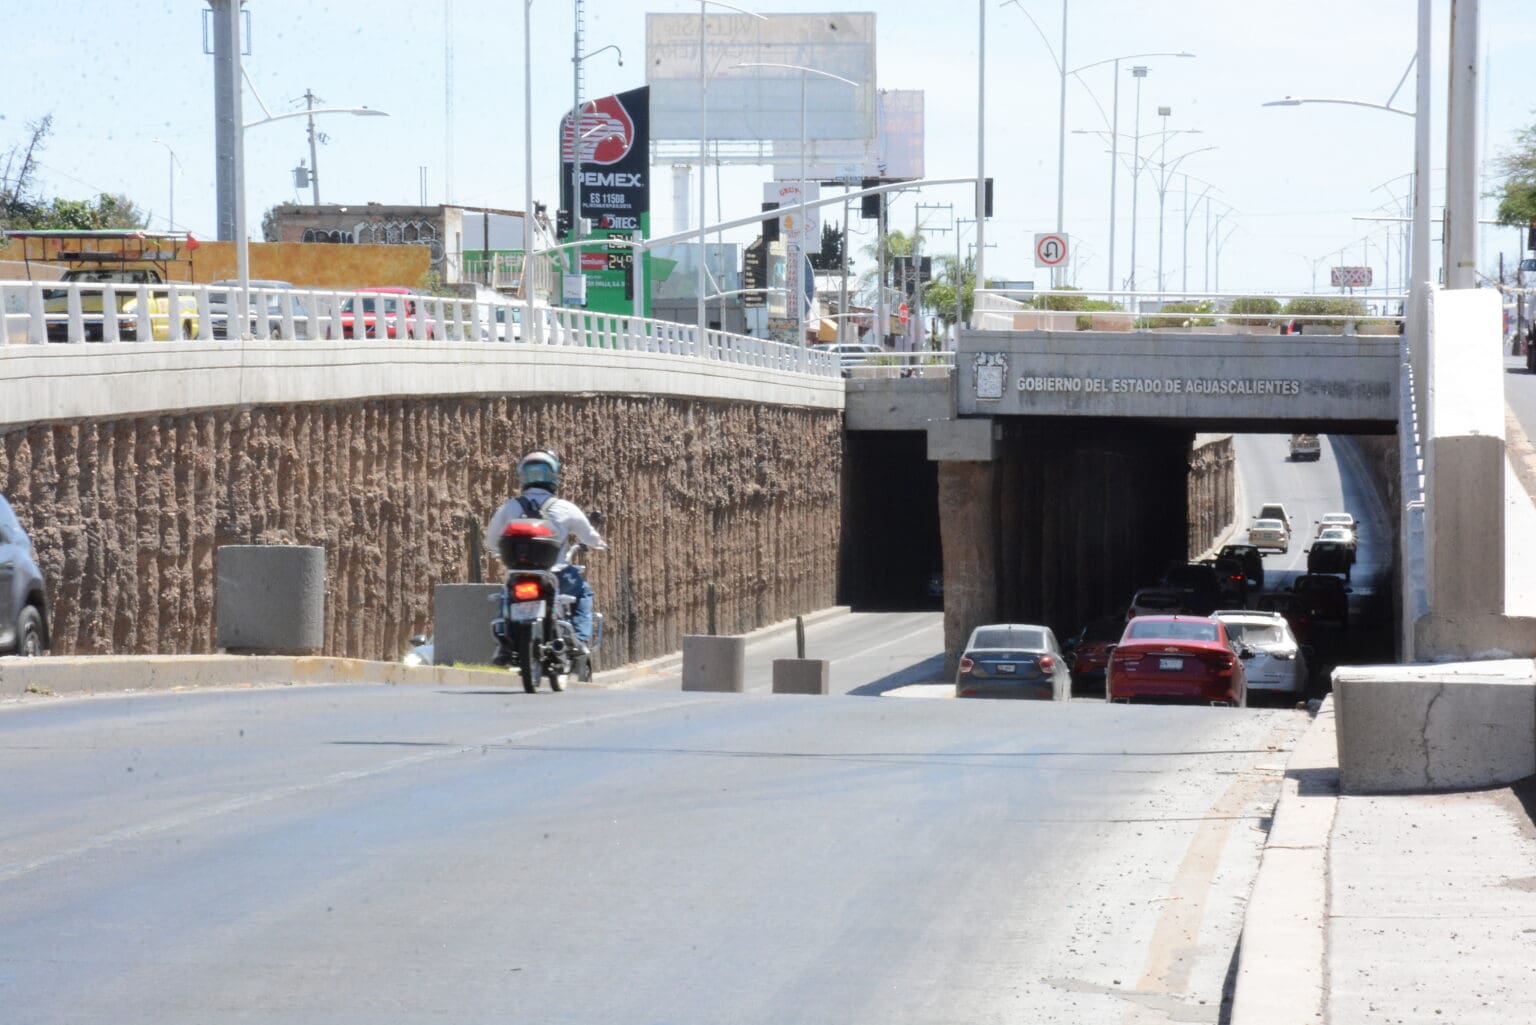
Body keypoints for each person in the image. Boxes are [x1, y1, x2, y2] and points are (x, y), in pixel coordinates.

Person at [485, 449, 608, 654]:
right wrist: (601, 543)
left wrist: (499, 551)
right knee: (584, 592)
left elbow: (491, 540)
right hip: (556, 574)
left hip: (519, 572)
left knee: (507, 595)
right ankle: (580, 639)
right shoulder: (565, 507)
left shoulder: (509, 507)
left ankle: (504, 642)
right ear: (553, 475)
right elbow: (588, 536)